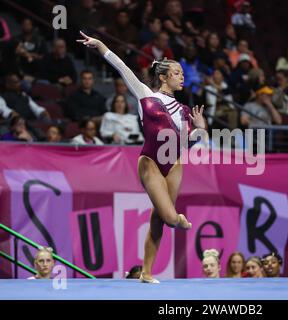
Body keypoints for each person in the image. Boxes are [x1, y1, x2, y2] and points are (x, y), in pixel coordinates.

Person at [78, 31, 206, 284]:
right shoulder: (146, 95)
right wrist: (101, 45)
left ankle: (146, 273)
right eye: (177, 72)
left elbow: (188, 142)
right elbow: (122, 67)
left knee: (158, 221)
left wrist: (201, 128)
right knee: (170, 219)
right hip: (150, 163)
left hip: (174, 164)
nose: (182, 76)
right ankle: (178, 219)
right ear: (163, 76)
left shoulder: (183, 110)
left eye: (181, 73)